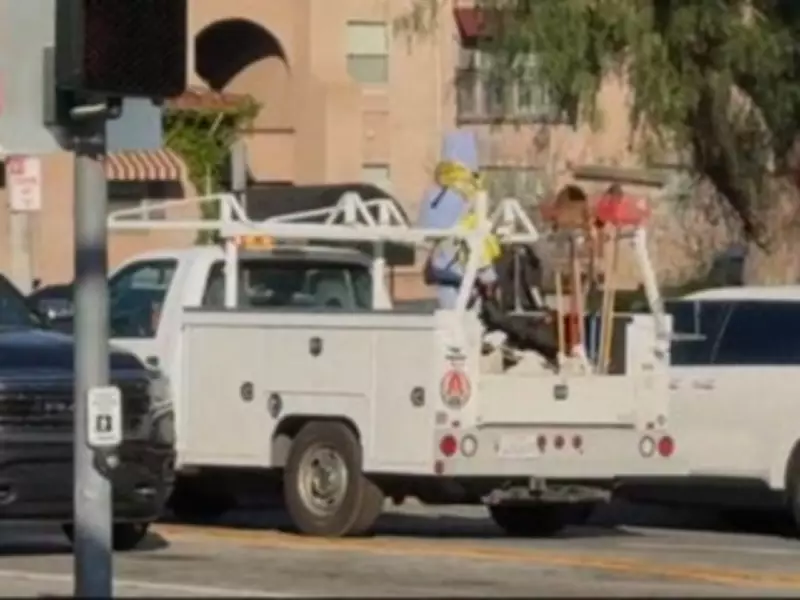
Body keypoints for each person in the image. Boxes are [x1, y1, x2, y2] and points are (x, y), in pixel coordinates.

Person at [418, 130, 500, 309]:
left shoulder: (433, 193)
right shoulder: (467, 196)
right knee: (466, 325)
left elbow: (424, 230)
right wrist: (489, 276)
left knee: (448, 318)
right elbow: (480, 241)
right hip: (462, 271)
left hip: (441, 268)